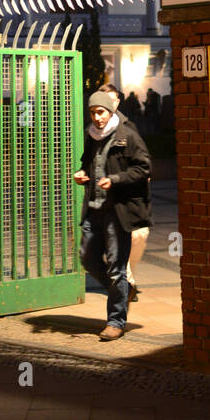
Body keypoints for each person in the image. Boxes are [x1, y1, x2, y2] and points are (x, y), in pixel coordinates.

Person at [74, 90, 151, 340]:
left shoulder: (127, 136)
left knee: (116, 268)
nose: (97, 118)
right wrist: (81, 173)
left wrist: (116, 179)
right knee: (87, 258)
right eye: (93, 112)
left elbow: (144, 168)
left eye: (101, 112)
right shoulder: (92, 135)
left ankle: (115, 321)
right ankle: (124, 288)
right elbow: (87, 162)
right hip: (93, 208)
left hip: (117, 211)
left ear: (110, 112)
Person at [98, 83, 151, 302]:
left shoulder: (128, 127)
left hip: (130, 192)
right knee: (110, 239)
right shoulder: (94, 128)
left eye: (112, 100)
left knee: (138, 236)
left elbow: (141, 160)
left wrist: (141, 174)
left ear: (118, 102)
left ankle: (127, 276)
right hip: (107, 195)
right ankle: (126, 282)